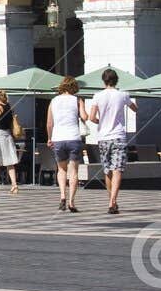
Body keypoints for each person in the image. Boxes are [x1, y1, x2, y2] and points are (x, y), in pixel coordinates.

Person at [88, 69, 137, 214]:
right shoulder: (123, 95)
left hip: (103, 137)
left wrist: (101, 121)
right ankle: (112, 201)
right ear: (116, 80)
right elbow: (135, 109)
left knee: (107, 169)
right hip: (118, 136)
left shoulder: (97, 96)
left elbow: (91, 117)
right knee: (118, 170)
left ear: (104, 81)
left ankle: (111, 200)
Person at [47, 76, 87, 212]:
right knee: (74, 171)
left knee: (62, 169)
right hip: (73, 138)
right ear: (74, 87)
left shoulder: (53, 101)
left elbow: (49, 123)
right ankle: (71, 202)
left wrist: (49, 138)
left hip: (58, 138)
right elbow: (85, 117)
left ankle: (62, 196)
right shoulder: (77, 100)